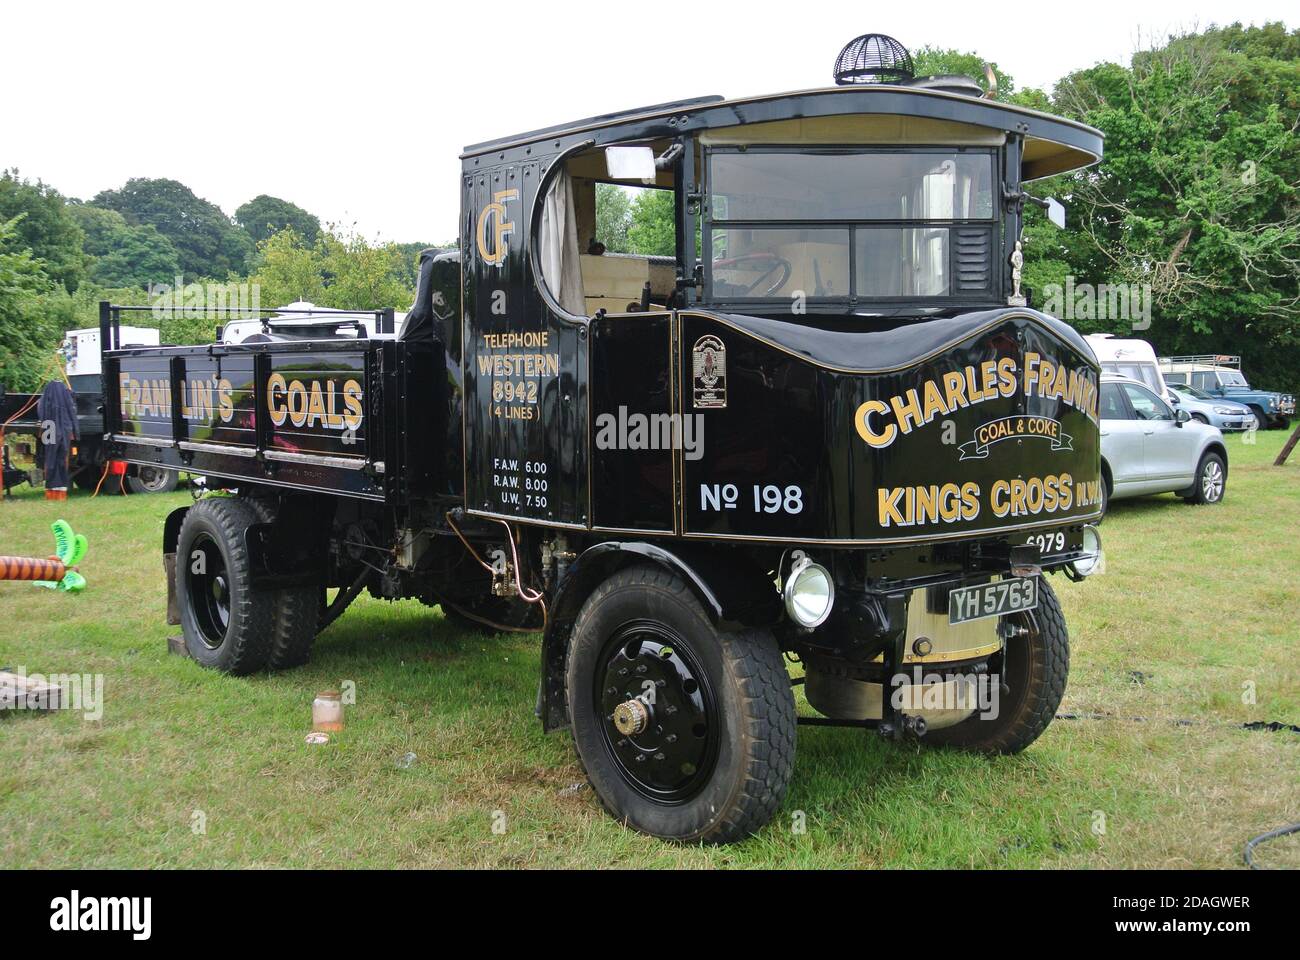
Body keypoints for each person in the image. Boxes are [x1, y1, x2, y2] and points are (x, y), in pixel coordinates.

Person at [37, 377, 77, 501]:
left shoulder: (46, 396)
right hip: (63, 428)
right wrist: (74, 432)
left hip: (49, 426)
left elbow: (41, 411)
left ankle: (51, 492)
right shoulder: (66, 396)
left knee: (50, 459)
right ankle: (60, 492)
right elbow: (72, 410)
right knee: (61, 459)